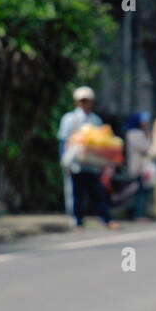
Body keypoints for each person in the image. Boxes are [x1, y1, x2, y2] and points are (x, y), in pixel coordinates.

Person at [58, 86, 117, 229]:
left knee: (97, 192)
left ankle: (106, 219)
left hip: (91, 163)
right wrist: (64, 159)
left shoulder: (95, 120)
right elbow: (63, 140)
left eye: (88, 100)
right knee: (75, 193)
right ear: (77, 102)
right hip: (76, 163)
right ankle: (77, 221)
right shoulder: (69, 119)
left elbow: (102, 142)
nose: (85, 103)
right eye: (82, 101)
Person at [124, 111, 153, 219]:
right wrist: (149, 137)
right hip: (138, 167)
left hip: (142, 167)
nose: (145, 123)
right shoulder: (134, 133)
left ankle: (141, 213)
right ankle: (138, 214)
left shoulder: (138, 133)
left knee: (142, 191)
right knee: (139, 192)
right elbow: (146, 147)